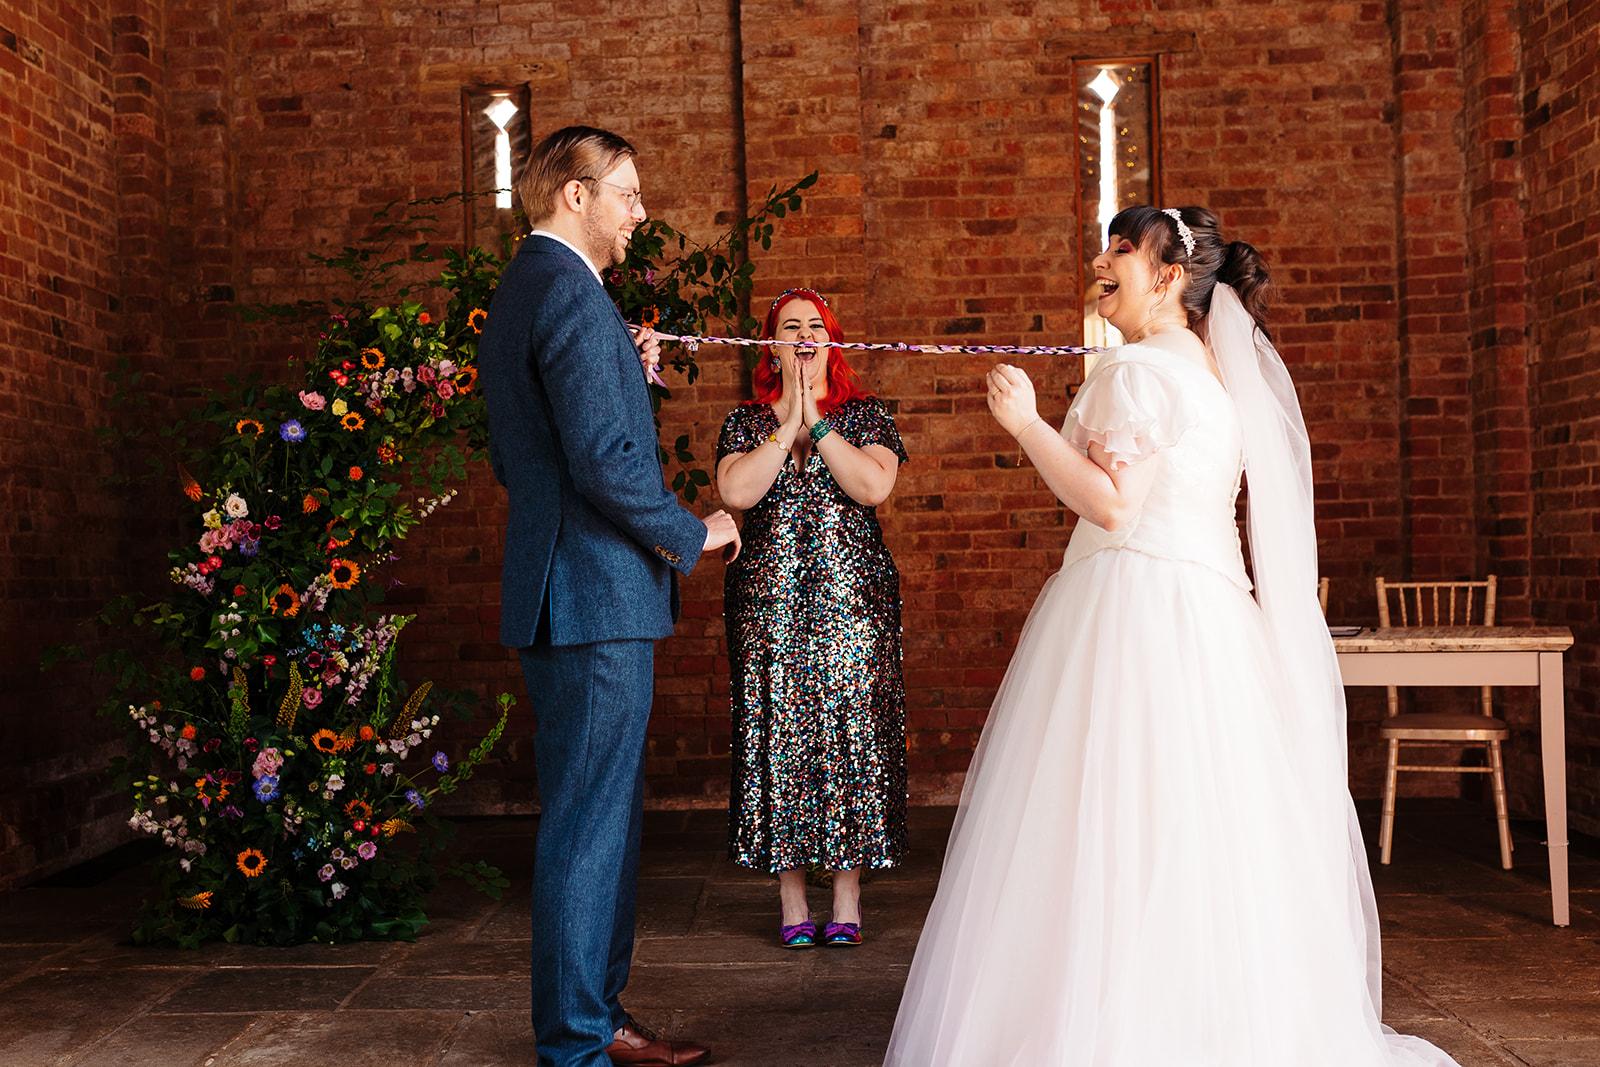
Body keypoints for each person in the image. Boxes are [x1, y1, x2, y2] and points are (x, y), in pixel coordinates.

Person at [884, 206, 1460, 1066]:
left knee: (1108, 821)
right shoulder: (1213, 378)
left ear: (1166, 276)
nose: (1099, 259)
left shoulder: (1142, 371)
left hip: (1136, 610)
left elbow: (1113, 503)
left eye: (1121, 249)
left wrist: (1026, 424)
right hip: (1216, 625)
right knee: (1203, 830)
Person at [478, 125, 739, 1067]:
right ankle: (578, 1044)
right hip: (591, 597)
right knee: (589, 824)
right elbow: (601, 460)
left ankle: (598, 1018)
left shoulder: (534, 293)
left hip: (569, 589)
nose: (639, 212)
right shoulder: (569, 296)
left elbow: (527, 453)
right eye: (626, 193)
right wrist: (690, 531)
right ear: (574, 195)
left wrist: (630, 377)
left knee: (599, 816)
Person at [714, 287, 909, 949]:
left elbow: (872, 486)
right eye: (788, 326)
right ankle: (793, 896)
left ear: (831, 341)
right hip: (768, 609)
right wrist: (786, 418)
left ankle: (847, 895)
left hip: (854, 610)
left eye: (814, 326)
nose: (802, 334)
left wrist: (818, 422)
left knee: (852, 741)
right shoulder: (744, 424)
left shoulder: (867, 417)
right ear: (771, 343)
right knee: (779, 741)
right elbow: (738, 491)